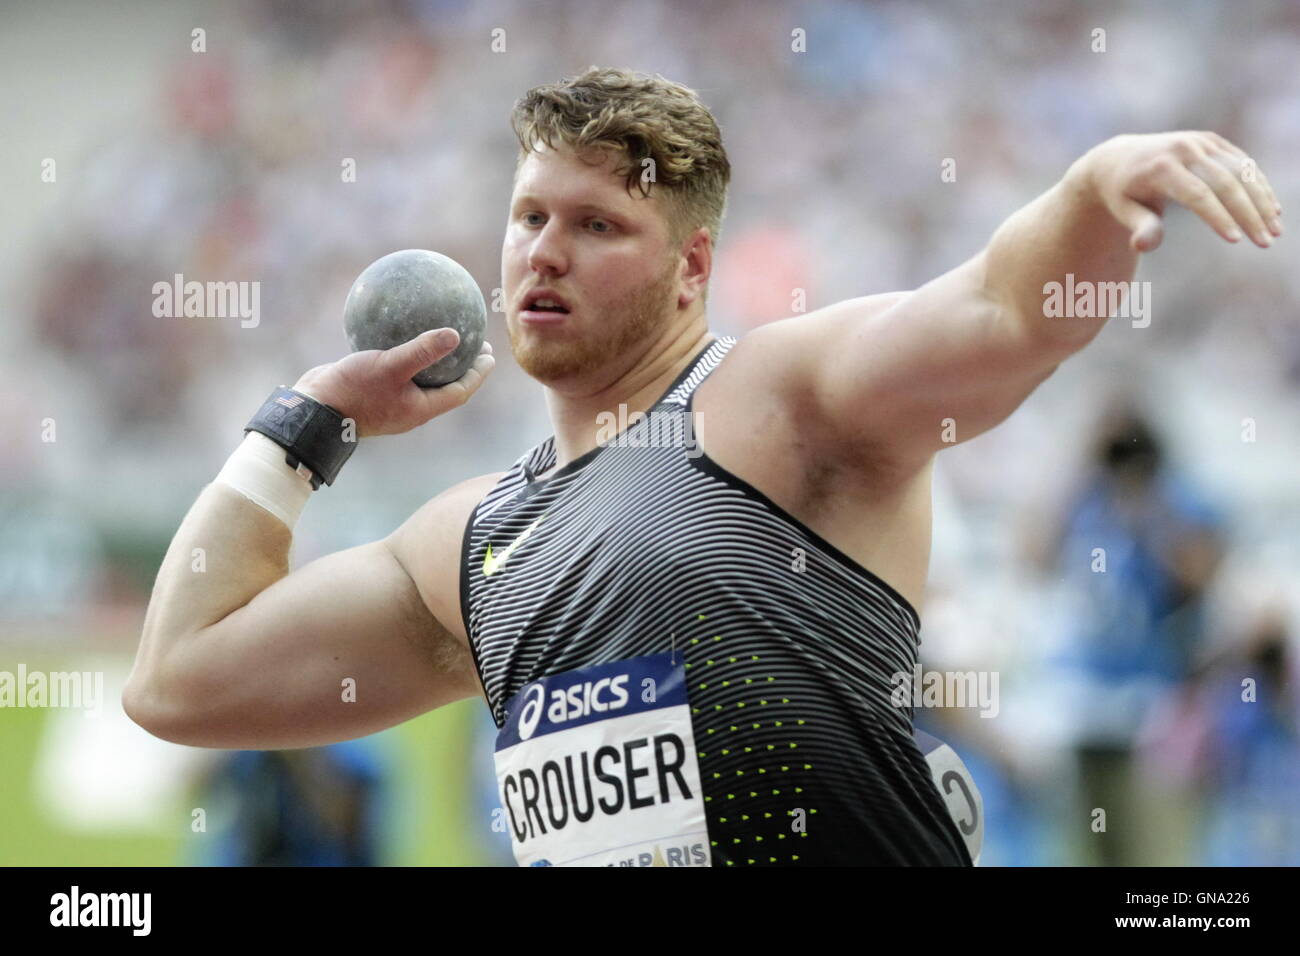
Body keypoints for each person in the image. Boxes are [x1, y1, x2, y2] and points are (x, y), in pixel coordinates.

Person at [124, 67, 1282, 866]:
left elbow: (993, 307)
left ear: (692, 268)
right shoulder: (463, 544)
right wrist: (301, 428)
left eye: (595, 224)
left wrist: (1093, 188)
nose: (542, 251)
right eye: (528, 216)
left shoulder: (781, 402)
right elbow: (178, 681)